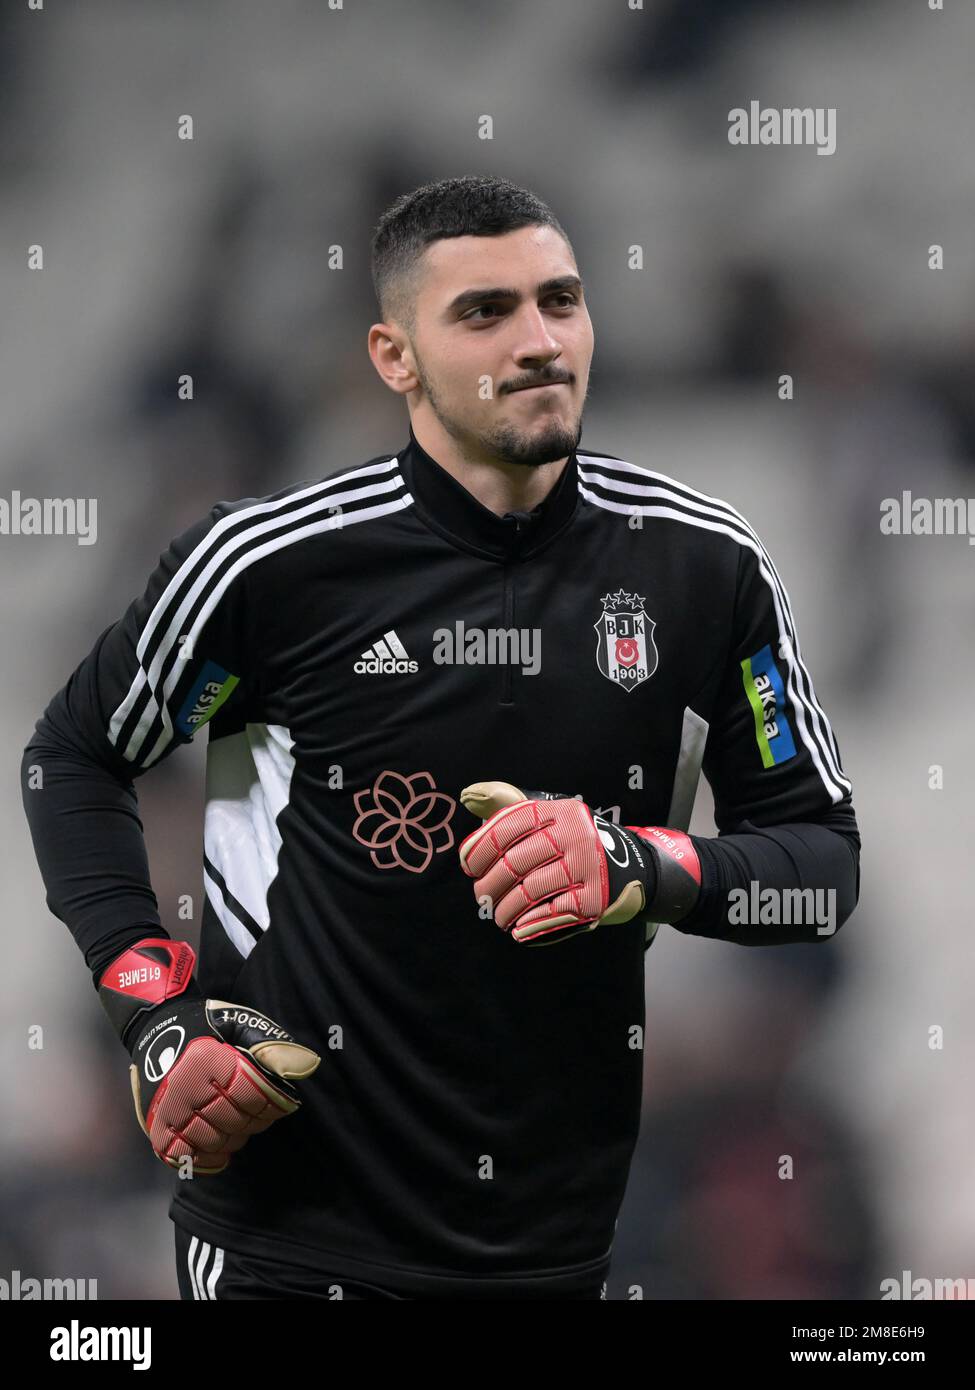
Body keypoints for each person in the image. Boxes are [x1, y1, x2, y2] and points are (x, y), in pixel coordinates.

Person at [20, 174, 861, 1301]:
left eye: (561, 302)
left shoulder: (703, 568)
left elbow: (820, 868)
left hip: (556, 1256)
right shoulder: (267, 569)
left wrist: (638, 865)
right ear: (393, 356)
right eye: (484, 312)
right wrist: (154, 1015)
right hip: (287, 1248)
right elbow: (72, 757)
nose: (539, 341)